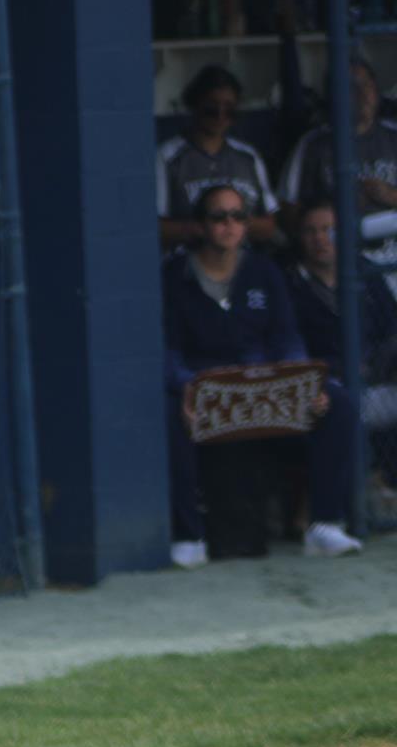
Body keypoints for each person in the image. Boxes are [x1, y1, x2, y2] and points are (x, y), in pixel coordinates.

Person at [162, 183, 362, 566]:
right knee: (169, 415)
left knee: (338, 404)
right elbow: (168, 350)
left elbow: (286, 338)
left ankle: (324, 525)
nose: (229, 225)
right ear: (201, 226)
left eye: (238, 216)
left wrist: (300, 383)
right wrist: (187, 386)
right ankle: (190, 536)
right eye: (219, 217)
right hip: (204, 390)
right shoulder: (176, 276)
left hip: (263, 389)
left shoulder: (263, 272)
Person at [285, 196, 397, 487]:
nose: (320, 238)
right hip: (325, 389)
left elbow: (392, 330)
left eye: (328, 229)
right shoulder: (288, 282)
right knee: (342, 405)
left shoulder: (365, 271)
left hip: (377, 379)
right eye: (311, 231)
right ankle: (364, 493)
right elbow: (289, 345)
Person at [280, 56, 397, 292]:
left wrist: (391, 196)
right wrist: (330, 209)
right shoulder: (314, 145)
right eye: (351, 88)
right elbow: (287, 211)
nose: (362, 95)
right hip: (339, 263)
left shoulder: (393, 136)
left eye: (367, 86)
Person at [157, 65, 281, 251]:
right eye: (211, 109)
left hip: (243, 262)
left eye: (229, 110)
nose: (220, 116)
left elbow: (269, 226)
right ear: (195, 105)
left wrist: (229, 225)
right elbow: (156, 228)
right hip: (187, 263)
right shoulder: (167, 157)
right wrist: (207, 228)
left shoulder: (248, 156)